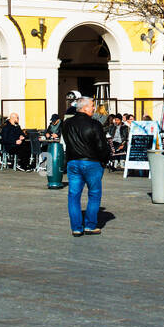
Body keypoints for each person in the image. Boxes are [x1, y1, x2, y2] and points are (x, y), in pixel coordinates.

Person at [61, 95, 112, 237]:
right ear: (84, 108)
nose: (94, 108)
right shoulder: (94, 124)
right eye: (92, 106)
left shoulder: (67, 123)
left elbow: (66, 141)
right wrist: (104, 160)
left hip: (73, 161)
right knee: (94, 194)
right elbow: (102, 146)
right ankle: (90, 225)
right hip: (92, 162)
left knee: (73, 195)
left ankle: (76, 227)